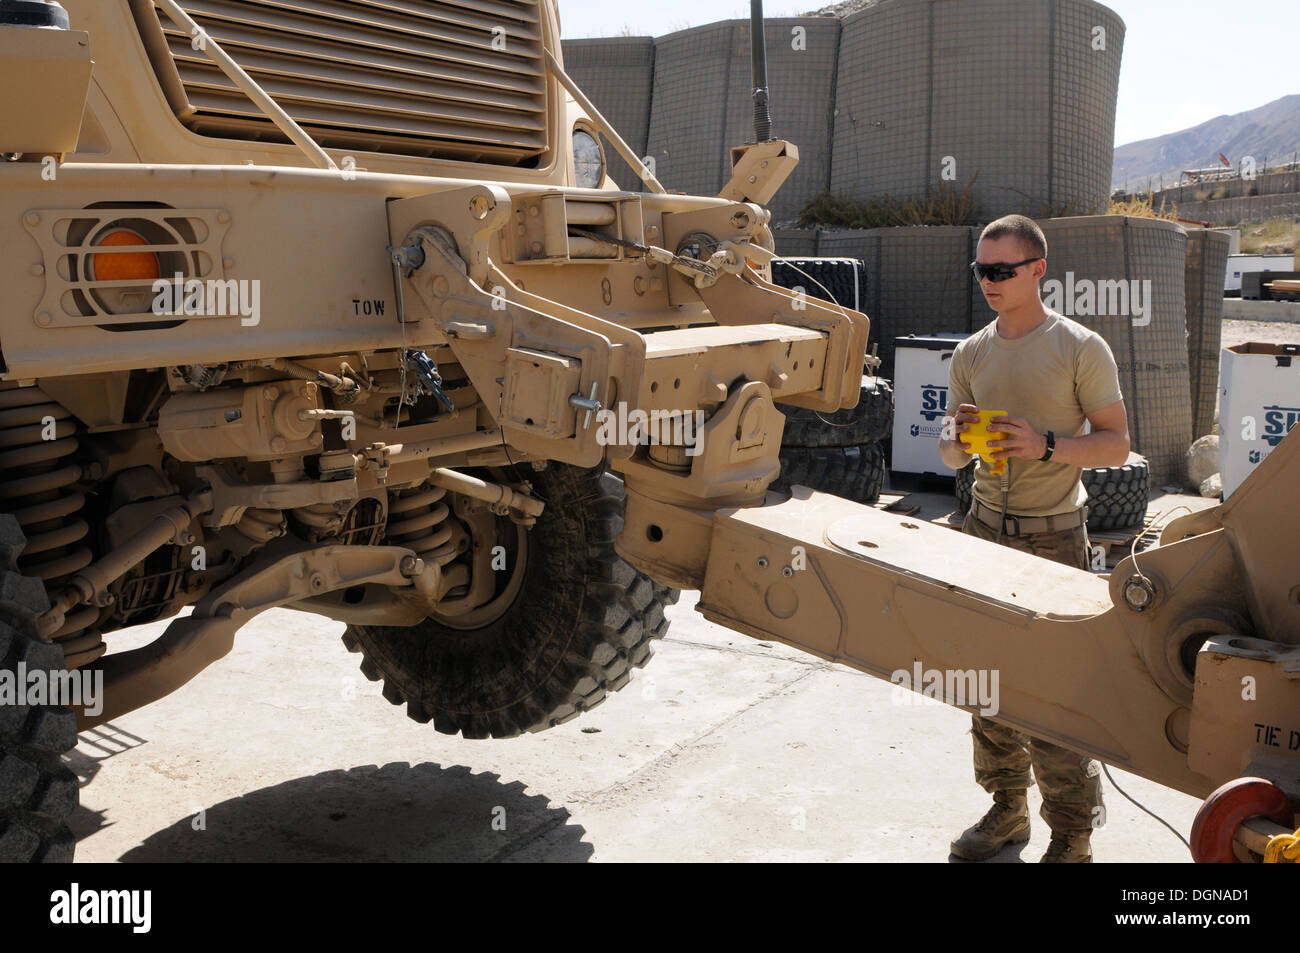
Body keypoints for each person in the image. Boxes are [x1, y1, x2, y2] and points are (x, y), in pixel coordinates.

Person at [937, 214, 1131, 863]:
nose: (989, 281)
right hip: (983, 537)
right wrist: (958, 441)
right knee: (985, 686)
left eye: (1002, 270)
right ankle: (1006, 808)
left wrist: (1045, 444)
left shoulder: (1079, 346)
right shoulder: (971, 352)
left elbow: (1117, 443)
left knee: (1053, 696)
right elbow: (945, 447)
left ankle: (1071, 834)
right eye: (981, 270)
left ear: (1037, 269)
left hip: (1053, 542)